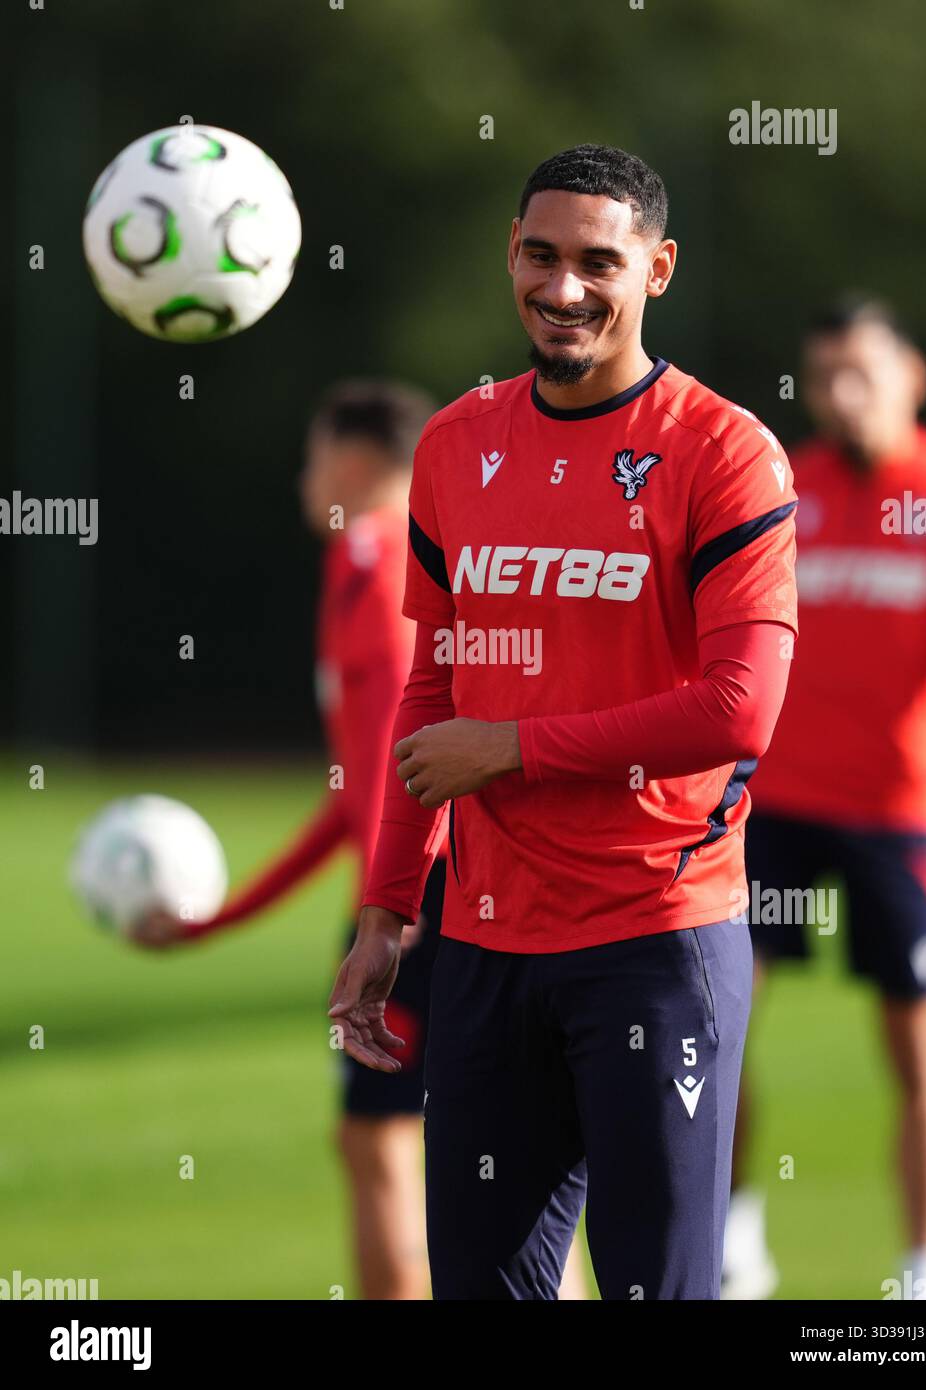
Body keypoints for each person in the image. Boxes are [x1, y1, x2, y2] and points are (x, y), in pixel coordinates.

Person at [328, 143, 799, 1300]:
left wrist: (517, 747)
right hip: (484, 948)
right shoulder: (453, 444)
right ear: (511, 256)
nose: (565, 287)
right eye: (541, 255)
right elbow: (430, 692)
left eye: (600, 260)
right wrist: (390, 909)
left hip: (656, 940)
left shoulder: (725, 452)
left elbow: (743, 710)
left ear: (659, 267)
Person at [131, 379, 448, 1300]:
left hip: (420, 905)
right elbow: (352, 800)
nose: (303, 478)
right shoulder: (360, 567)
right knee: (493, 1164)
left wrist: (392, 914)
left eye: (313, 458)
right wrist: (211, 922)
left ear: (354, 464)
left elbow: (407, 761)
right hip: (409, 897)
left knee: (383, 1145)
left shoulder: (383, 569)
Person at [724, 297, 926, 1302]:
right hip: (768, 806)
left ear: (910, 375)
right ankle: (734, 1242)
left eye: (861, 372)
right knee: (714, 1019)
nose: (842, 393)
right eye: (824, 375)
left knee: (919, 1046)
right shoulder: (782, 487)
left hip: (897, 814)